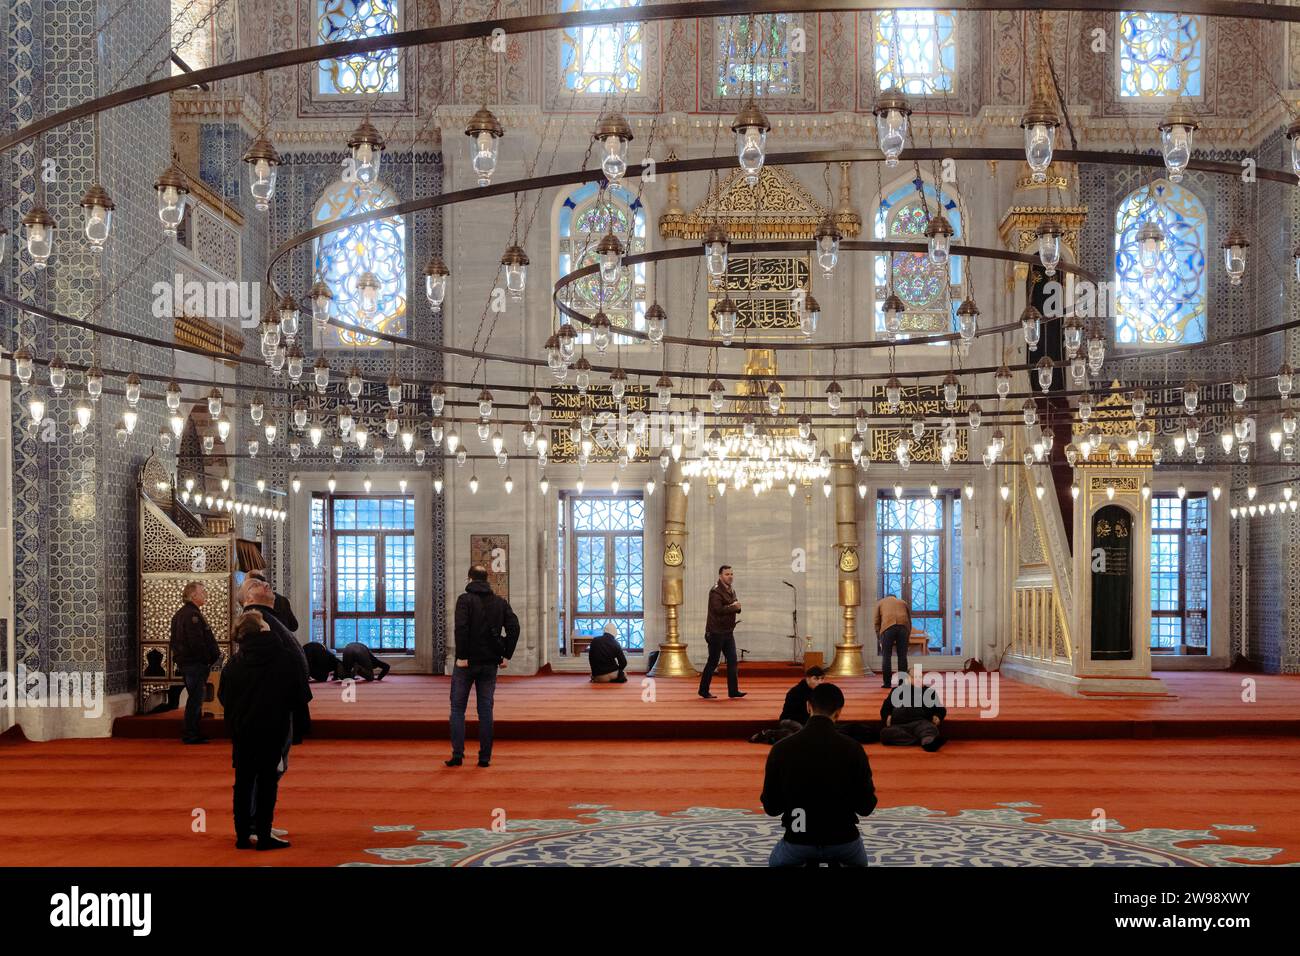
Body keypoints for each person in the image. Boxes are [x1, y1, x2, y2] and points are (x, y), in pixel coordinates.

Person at [218, 610, 311, 850]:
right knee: (268, 782)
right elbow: (299, 695)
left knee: (244, 782)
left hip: (243, 729)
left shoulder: (234, 662)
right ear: (261, 629)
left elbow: (223, 696)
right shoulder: (283, 657)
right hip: (272, 728)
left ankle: (242, 836)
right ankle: (263, 834)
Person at [760, 682, 877, 867]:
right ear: (838, 712)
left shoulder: (781, 749)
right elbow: (866, 806)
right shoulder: (853, 749)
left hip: (798, 840)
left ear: (808, 707)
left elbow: (771, 807)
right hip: (843, 840)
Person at [448, 564, 520, 768]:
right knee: (485, 710)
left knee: (457, 708)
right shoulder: (499, 602)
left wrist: (461, 656)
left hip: (466, 663)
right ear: (486, 579)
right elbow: (514, 627)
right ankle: (484, 758)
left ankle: (457, 755)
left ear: (469, 579)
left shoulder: (464, 600)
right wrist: (506, 654)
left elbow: (461, 628)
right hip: (490, 663)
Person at [238, 576, 313, 752]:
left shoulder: (266, 615)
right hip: (272, 703)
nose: (265, 584)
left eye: (264, 582)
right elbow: (260, 667)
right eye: (255, 585)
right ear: (248, 598)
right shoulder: (254, 619)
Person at [169, 581, 221, 744]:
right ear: (193, 595)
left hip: (189, 663)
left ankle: (193, 731)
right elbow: (196, 642)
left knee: (195, 698)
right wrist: (207, 659)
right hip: (194, 664)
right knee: (195, 699)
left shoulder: (181, 613)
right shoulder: (192, 615)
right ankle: (191, 733)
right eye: (202, 592)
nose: (205, 595)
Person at [699, 565, 746, 699]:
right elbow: (717, 610)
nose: (730, 576)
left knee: (732, 661)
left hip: (728, 631)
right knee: (713, 662)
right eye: (727, 574)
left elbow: (735, 605)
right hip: (715, 632)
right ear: (720, 576)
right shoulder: (715, 591)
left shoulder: (731, 590)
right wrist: (734, 607)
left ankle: (733, 691)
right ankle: (703, 690)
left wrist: (737, 608)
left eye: (731, 574)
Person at [749, 666, 825, 744]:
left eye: (822, 679)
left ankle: (774, 739)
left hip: (805, 721)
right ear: (807, 678)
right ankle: (768, 733)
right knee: (803, 732)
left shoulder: (819, 692)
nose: (819, 682)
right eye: (816, 679)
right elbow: (794, 713)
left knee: (797, 734)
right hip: (789, 720)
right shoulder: (796, 692)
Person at [880, 670, 948, 752]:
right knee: (885, 733)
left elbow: (940, 709)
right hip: (900, 724)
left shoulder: (928, 691)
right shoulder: (896, 690)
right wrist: (887, 716)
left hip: (920, 723)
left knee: (931, 729)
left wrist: (938, 716)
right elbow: (885, 708)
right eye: (914, 677)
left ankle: (928, 743)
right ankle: (921, 741)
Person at [874, 592, 913, 688]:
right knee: (902, 656)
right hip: (904, 628)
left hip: (887, 628)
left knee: (886, 656)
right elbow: (909, 620)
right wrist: (908, 635)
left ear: (886, 597)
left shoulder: (880, 602)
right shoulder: (903, 602)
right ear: (895, 597)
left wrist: (879, 638)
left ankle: (887, 683)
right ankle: (902, 683)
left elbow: (876, 621)